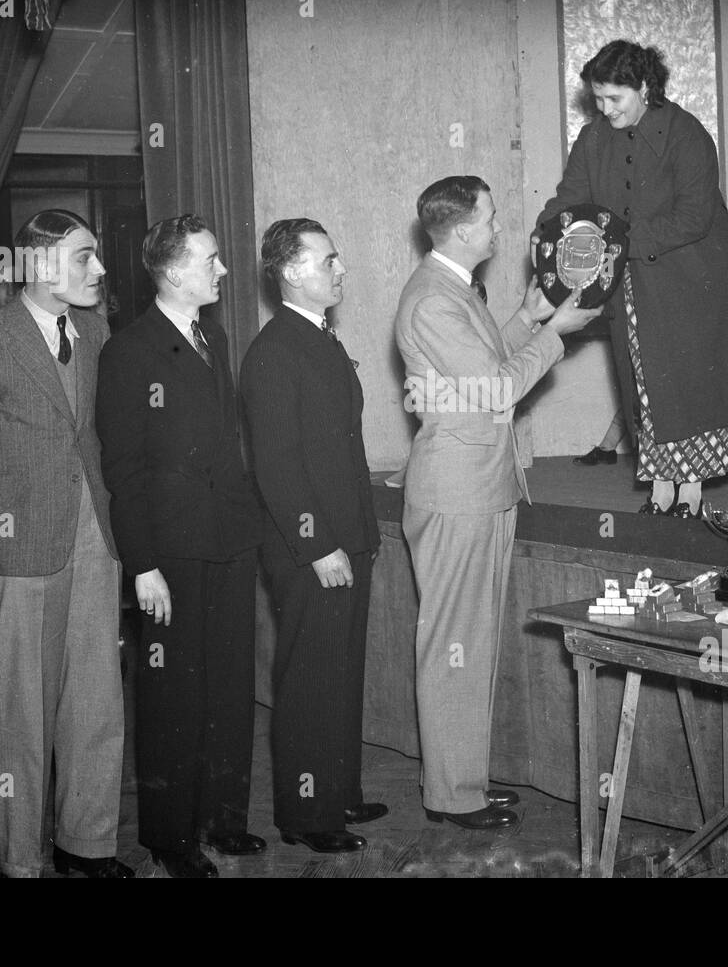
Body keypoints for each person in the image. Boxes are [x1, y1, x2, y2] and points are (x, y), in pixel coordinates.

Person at [0, 210, 131, 879]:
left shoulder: (97, 331)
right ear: (42, 265)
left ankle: (87, 842)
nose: (98, 270)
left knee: (97, 701)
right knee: (20, 717)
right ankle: (21, 859)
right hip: (15, 554)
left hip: (94, 541)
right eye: (84, 257)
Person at [395, 176, 599, 829]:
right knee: (454, 644)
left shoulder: (452, 286)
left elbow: (485, 356)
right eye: (488, 218)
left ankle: (464, 781)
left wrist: (528, 318)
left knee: (470, 643)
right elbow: (491, 390)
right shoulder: (433, 298)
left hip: (481, 486)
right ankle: (451, 794)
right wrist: (558, 333)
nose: (497, 229)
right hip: (457, 493)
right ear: (459, 229)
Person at [95, 214, 266, 878]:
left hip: (228, 540)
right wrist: (143, 566)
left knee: (227, 687)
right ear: (171, 271)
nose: (223, 270)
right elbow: (124, 470)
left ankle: (223, 818)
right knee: (172, 695)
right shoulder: (129, 351)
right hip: (171, 550)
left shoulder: (211, 337)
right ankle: (170, 836)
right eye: (211, 260)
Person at [538, 39, 728, 514]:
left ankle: (691, 492)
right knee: (643, 382)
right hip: (632, 281)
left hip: (692, 280)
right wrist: (551, 232)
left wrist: (614, 241)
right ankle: (660, 488)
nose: (603, 108)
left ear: (645, 88)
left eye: (614, 98)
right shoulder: (594, 138)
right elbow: (570, 196)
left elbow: (694, 218)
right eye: (597, 98)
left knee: (688, 384)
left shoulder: (687, 134)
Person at [240, 218, 384, 854]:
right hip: (311, 546)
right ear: (292, 272)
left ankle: (338, 792)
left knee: (341, 671)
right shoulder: (275, 350)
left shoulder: (318, 338)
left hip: (346, 535)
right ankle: (305, 814)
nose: (340, 267)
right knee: (308, 679)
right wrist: (320, 546)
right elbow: (276, 466)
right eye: (328, 259)